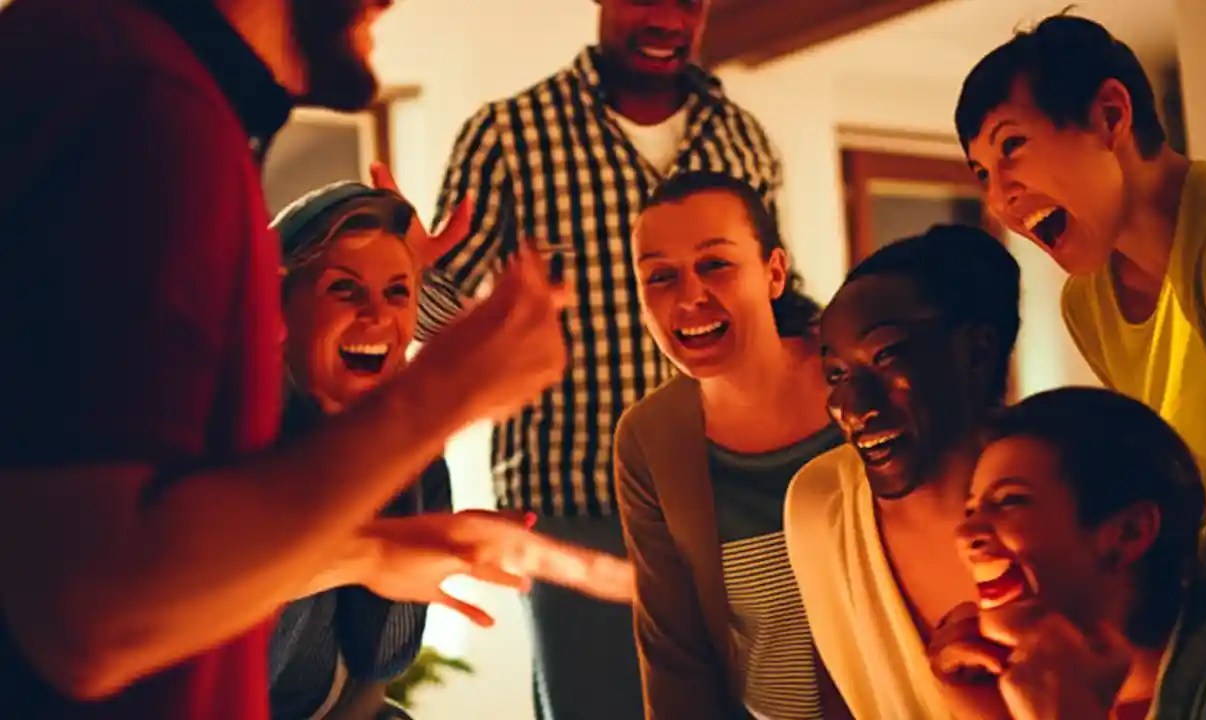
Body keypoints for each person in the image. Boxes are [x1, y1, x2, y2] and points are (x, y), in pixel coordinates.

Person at [0, 1, 633, 717]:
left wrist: (370, 550)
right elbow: (91, 616)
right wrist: (440, 395)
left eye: (398, 291)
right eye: (344, 288)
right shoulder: (142, 102)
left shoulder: (141, 85)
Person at [382, 1, 783, 717]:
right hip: (576, 497)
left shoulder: (743, 139)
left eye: (688, 1)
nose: (668, 17)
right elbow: (441, 317)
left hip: (729, 490)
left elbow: (778, 303)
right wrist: (408, 278)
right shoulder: (509, 135)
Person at [955, 14, 1206, 524]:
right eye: (981, 174)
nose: (998, 201)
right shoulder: (1088, 300)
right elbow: (1173, 485)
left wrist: (1171, 566)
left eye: (1012, 146)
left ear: (1110, 116)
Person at [615, 172, 843, 720]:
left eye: (715, 264)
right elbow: (675, 654)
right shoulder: (649, 438)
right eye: (660, 277)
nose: (689, 296)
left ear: (774, 273)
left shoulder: (858, 377)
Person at [784, 225, 1022, 719]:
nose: (854, 408)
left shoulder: (1070, 496)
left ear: (976, 351)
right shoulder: (821, 506)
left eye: (885, 357)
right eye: (836, 375)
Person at [931, 387, 1206, 720]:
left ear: (1130, 532)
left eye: (1010, 501)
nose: (966, 535)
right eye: (970, 511)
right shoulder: (1040, 687)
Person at [268, 182, 459, 720]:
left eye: (397, 292)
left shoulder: (410, 452)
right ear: (278, 308)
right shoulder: (238, 445)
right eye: (344, 290)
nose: (377, 316)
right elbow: (242, 672)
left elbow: (384, 656)